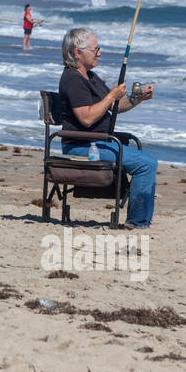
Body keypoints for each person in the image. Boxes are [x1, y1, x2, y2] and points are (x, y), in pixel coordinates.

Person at [57, 27, 157, 229]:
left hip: (98, 142)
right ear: (77, 52)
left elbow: (116, 107)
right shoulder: (72, 79)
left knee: (143, 158)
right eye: (95, 49)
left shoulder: (90, 77)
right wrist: (111, 95)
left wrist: (138, 98)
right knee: (146, 164)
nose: (99, 53)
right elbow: (86, 118)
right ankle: (137, 221)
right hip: (81, 145)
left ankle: (139, 217)